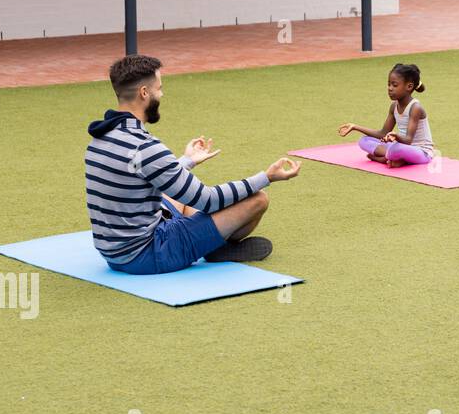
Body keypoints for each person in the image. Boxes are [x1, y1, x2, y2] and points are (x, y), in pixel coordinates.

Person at [85, 55, 300, 274]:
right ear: (144, 93)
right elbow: (207, 200)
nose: (162, 94)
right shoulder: (145, 146)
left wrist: (186, 162)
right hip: (148, 254)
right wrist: (266, 177)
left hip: (114, 253)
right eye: (159, 89)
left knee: (183, 200)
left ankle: (210, 243)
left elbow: (138, 174)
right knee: (257, 199)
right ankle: (215, 247)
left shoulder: (101, 136)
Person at [339, 63, 436, 167]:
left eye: (394, 85)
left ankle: (387, 158)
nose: (390, 88)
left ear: (409, 86)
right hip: (400, 145)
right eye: (389, 84)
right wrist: (355, 127)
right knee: (364, 141)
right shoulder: (394, 106)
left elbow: (408, 140)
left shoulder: (415, 108)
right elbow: (382, 133)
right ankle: (395, 159)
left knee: (396, 148)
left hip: (421, 152)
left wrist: (396, 136)